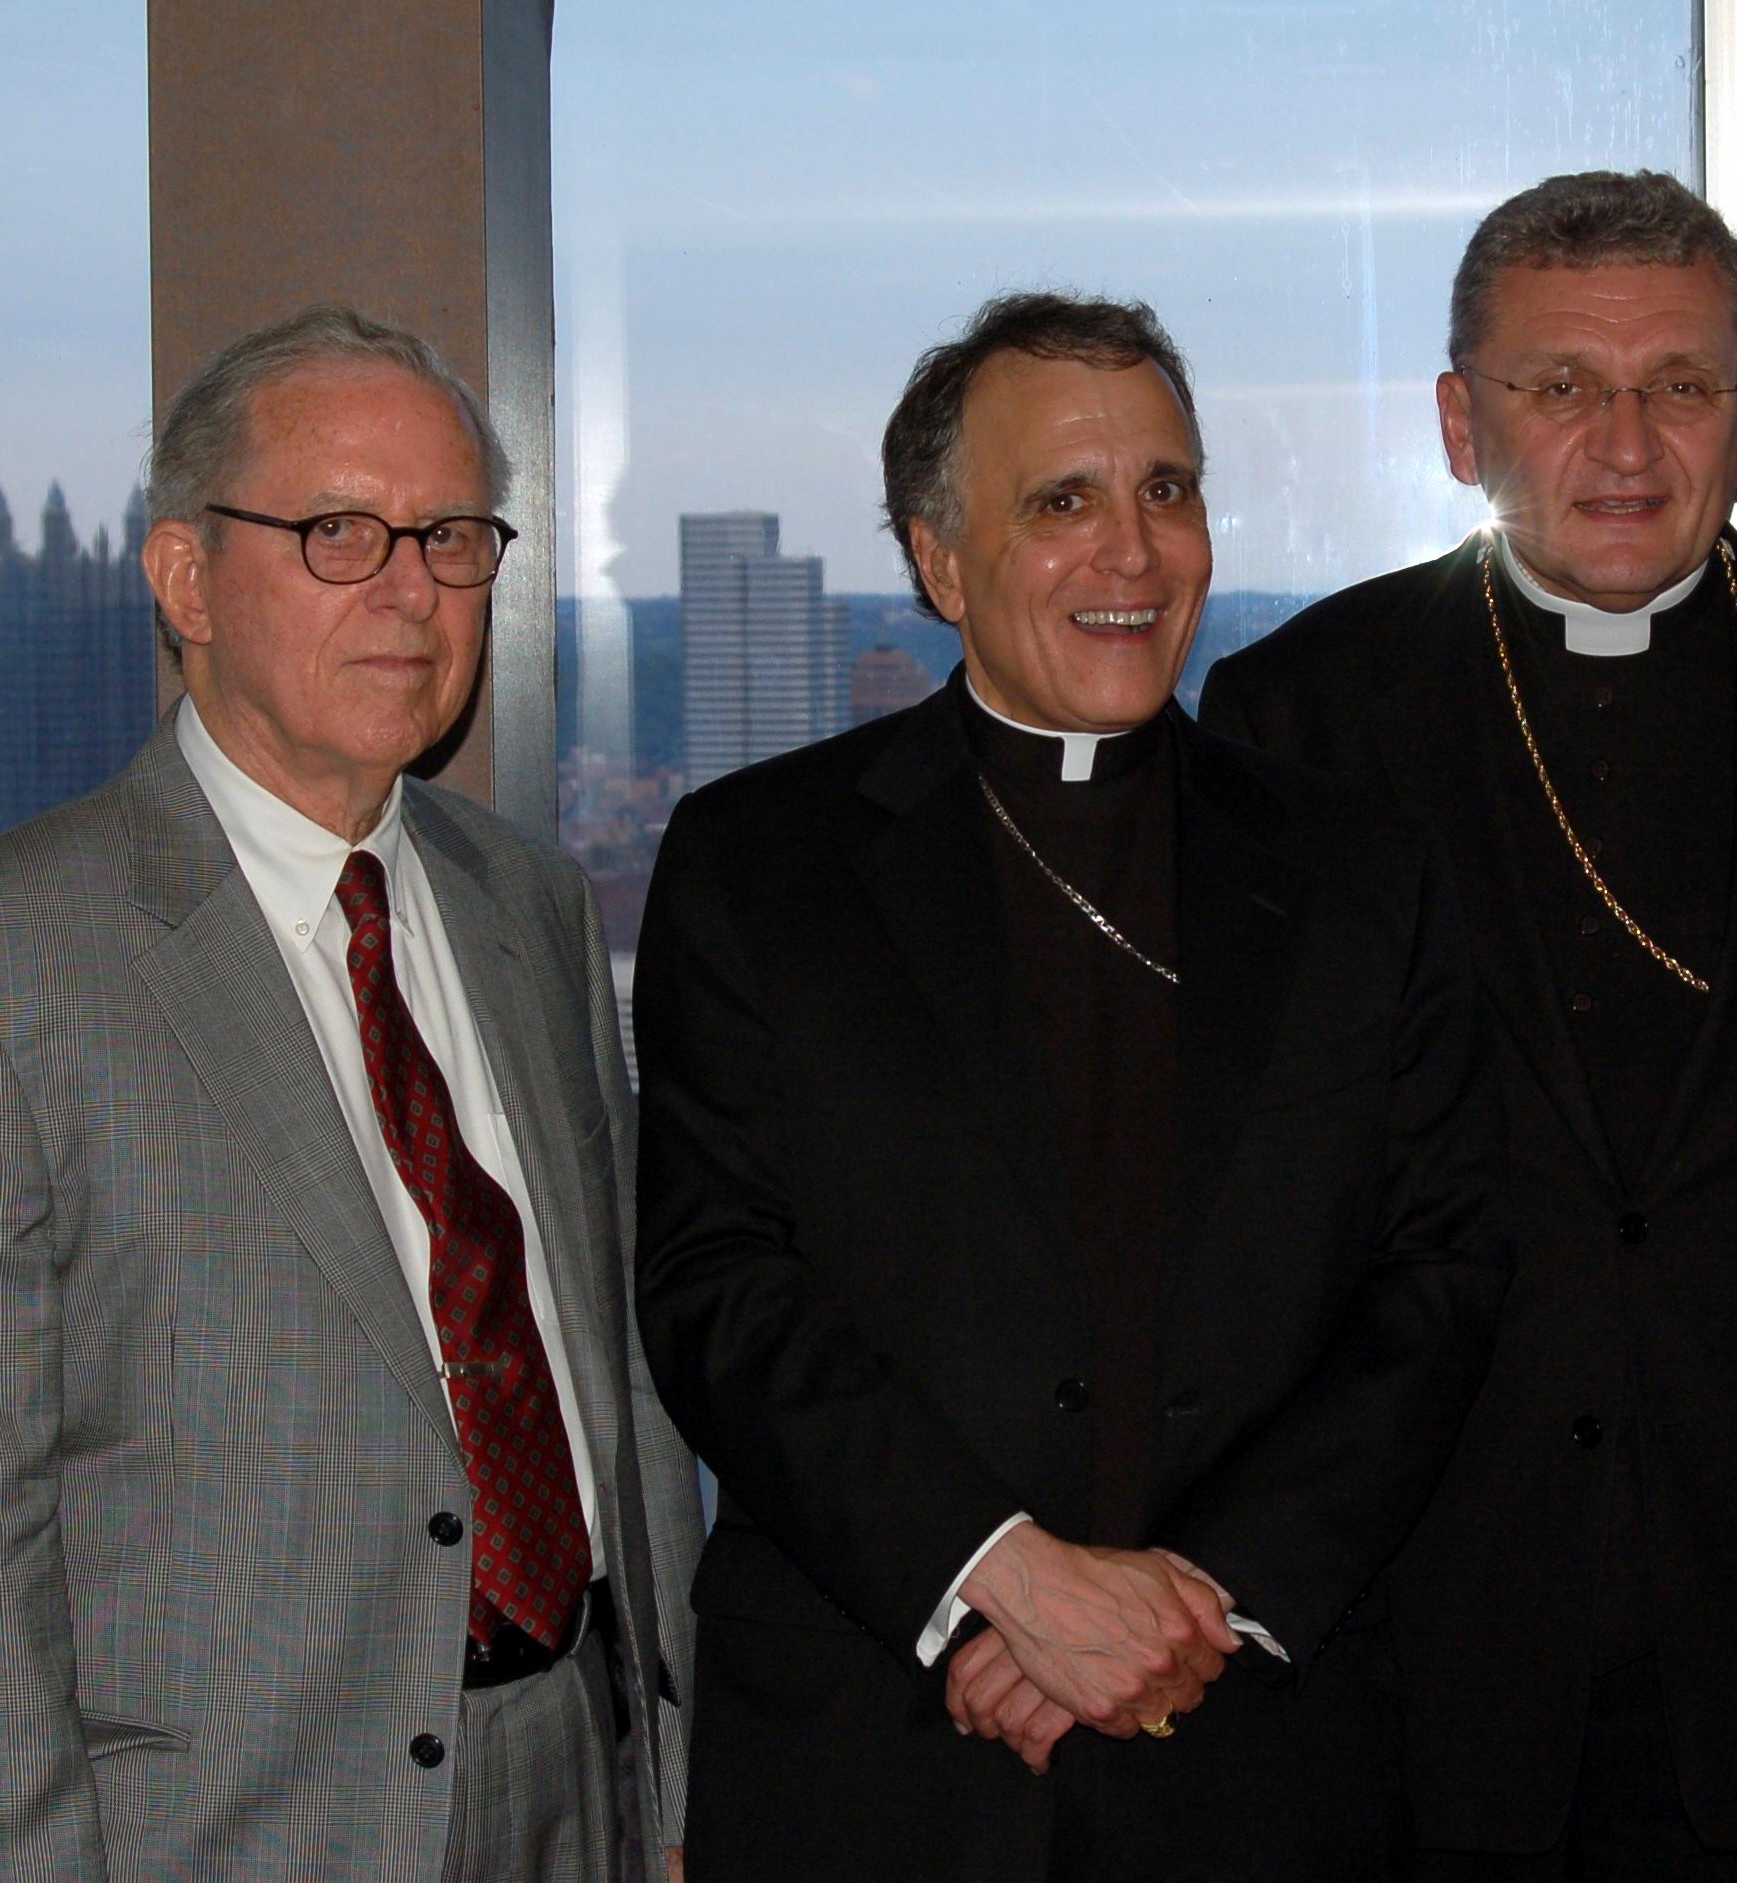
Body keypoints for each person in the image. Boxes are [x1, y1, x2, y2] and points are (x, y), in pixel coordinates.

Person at [631, 290, 1507, 1881]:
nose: (1131, 550)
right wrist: (1002, 1581)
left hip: (1258, 1745)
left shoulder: (1356, 873)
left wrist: (1192, 1601)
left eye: (1165, 490)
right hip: (878, 1743)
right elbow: (718, 1288)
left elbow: (1439, 1273)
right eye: (1061, 502)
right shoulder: (759, 866)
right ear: (938, 561)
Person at [1201, 170, 1737, 1879]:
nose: (1624, 443)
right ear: (1455, 421)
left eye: (1679, 387)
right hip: (1431, 1609)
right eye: (1559, 385)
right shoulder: (1305, 714)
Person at [0, 304, 703, 1879]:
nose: (412, 592)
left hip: (575, 1779)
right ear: (184, 580)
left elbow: (604, 1376)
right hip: (233, 1828)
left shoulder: (527, 906)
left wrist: (664, 1780)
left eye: (450, 536)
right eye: (340, 532)